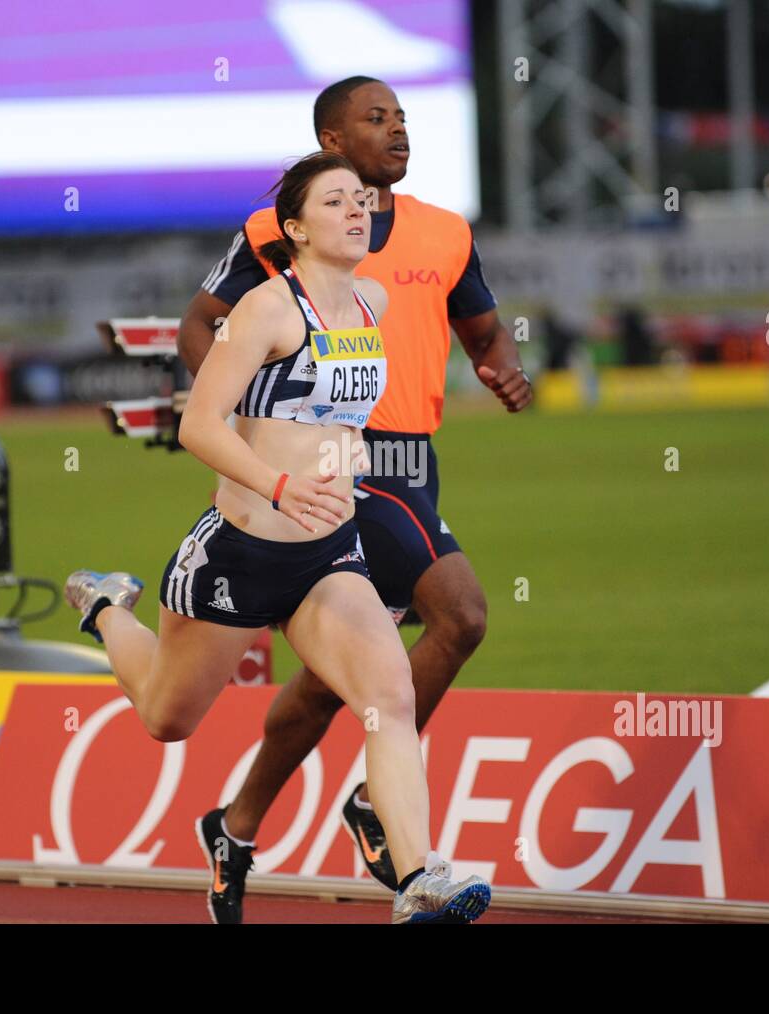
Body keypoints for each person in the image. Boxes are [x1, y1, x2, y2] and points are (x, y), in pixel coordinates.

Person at [66, 151, 490, 925]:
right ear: (294, 228)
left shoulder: (371, 303)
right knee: (167, 717)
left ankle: (420, 878)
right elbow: (198, 425)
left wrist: (344, 460)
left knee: (389, 701)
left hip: (328, 557)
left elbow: (338, 416)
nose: (358, 212)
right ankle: (102, 607)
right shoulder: (267, 308)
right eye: (337, 203)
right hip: (239, 551)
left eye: (362, 201)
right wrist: (283, 485)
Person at [178, 77, 531, 922]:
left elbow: (482, 328)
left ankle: (237, 823)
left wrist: (501, 364)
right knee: (464, 614)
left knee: (340, 682)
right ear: (332, 144)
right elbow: (201, 323)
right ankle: (385, 816)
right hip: (344, 470)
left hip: (415, 466)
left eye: (403, 119)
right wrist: (258, 421)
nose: (397, 132)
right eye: (376, 120)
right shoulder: (276, 229)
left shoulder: (444, 233)